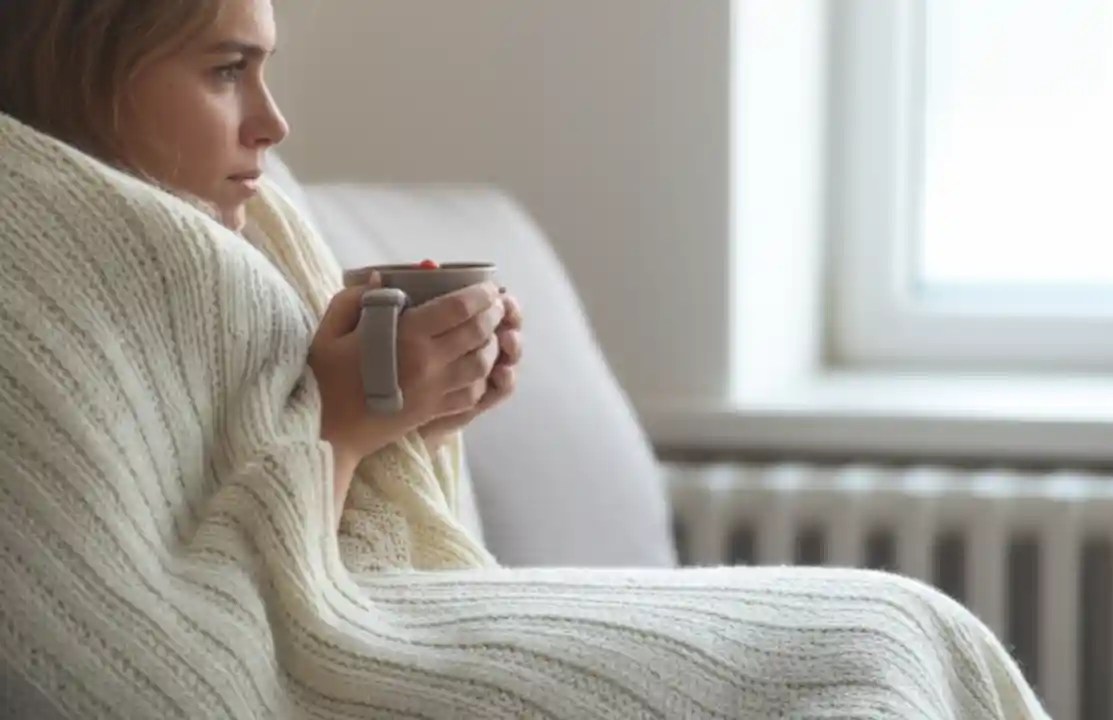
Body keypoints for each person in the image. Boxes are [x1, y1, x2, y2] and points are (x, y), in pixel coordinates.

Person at [0, 1, 1050, 718]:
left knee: (893, 631)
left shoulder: (239, 226)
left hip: (377, 629)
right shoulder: (34, 255)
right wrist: (350, 417)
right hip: (321, 669)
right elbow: (173, 671)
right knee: (866, 648)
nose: (274, 123)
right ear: (75, 62)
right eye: (227, 71)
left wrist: (409, 417)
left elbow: (324, 531)